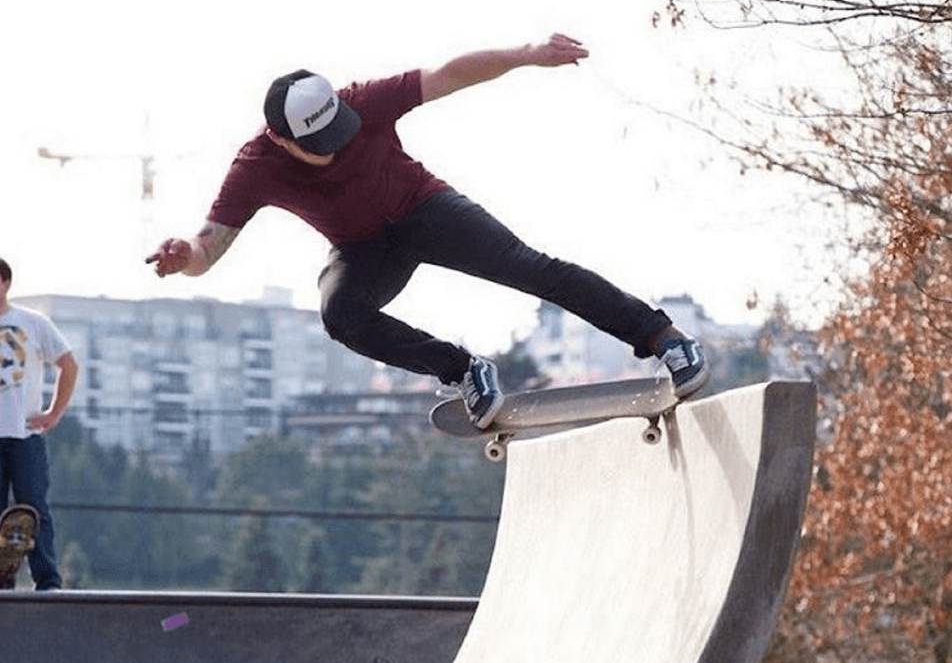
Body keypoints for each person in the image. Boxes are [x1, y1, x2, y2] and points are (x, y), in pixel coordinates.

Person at [146, 34, 708, 429]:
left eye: (340, 132)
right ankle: (464, 371)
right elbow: (209, 248)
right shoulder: (254, 168)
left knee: (530, 268)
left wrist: (527, 55)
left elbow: (450, 74)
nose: (338, 146)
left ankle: (664, 339)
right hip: (362, 250)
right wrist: (184, 256)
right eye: (321, 146)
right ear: (283, 140)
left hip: (426, 209)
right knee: (340, 314)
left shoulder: (363, 102)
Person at [0, 258, 79, 590]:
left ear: (4, 283)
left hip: (24, 434)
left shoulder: (32, 323)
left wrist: (53, 413)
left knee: (34, 509)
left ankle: (47, 580)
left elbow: (68, 364)